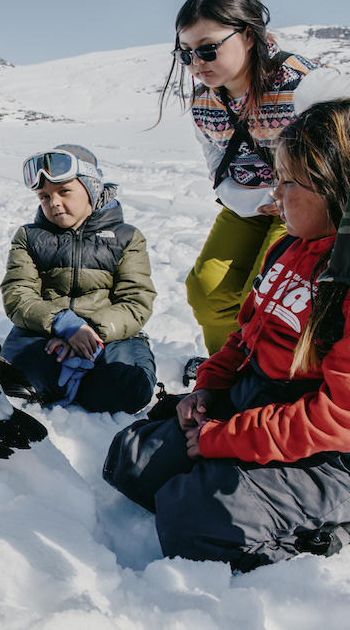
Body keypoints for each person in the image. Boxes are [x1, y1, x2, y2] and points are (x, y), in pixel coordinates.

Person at [104, 99, 350, 572]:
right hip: (259, 401)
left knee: (193, 520)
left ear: (337, 187)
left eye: (288, 182)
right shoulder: (288, 248)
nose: (274, 194)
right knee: (130, 461)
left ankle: (330, 531)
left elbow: (335, 418)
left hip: (327, 449)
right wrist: (209, 390)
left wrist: (226, 439)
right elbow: (246, 337)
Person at [158, 0, 350, 356]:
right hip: (244, 205)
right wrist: (235, 195)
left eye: (208, 49)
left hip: (302, 207)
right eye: (186, 53)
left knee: (264, 296)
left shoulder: (307, 84)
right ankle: (226, 367)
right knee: (207, 289)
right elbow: (214, 155)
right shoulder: (204, 101)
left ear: (247, 35)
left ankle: (263, 369)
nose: (196, 63)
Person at [0, 145, 157, 414]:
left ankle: (129, 357)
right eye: (44, 197)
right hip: (45, 331)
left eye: (64, 191)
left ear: (91, 188)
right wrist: (63, 325)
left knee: (126, 389)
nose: (54, 203)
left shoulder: (126, 237)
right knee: (14, 381)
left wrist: (87, 333)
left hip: (108, 333)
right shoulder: (29, 237)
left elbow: (136, 300)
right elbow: (18, 295)